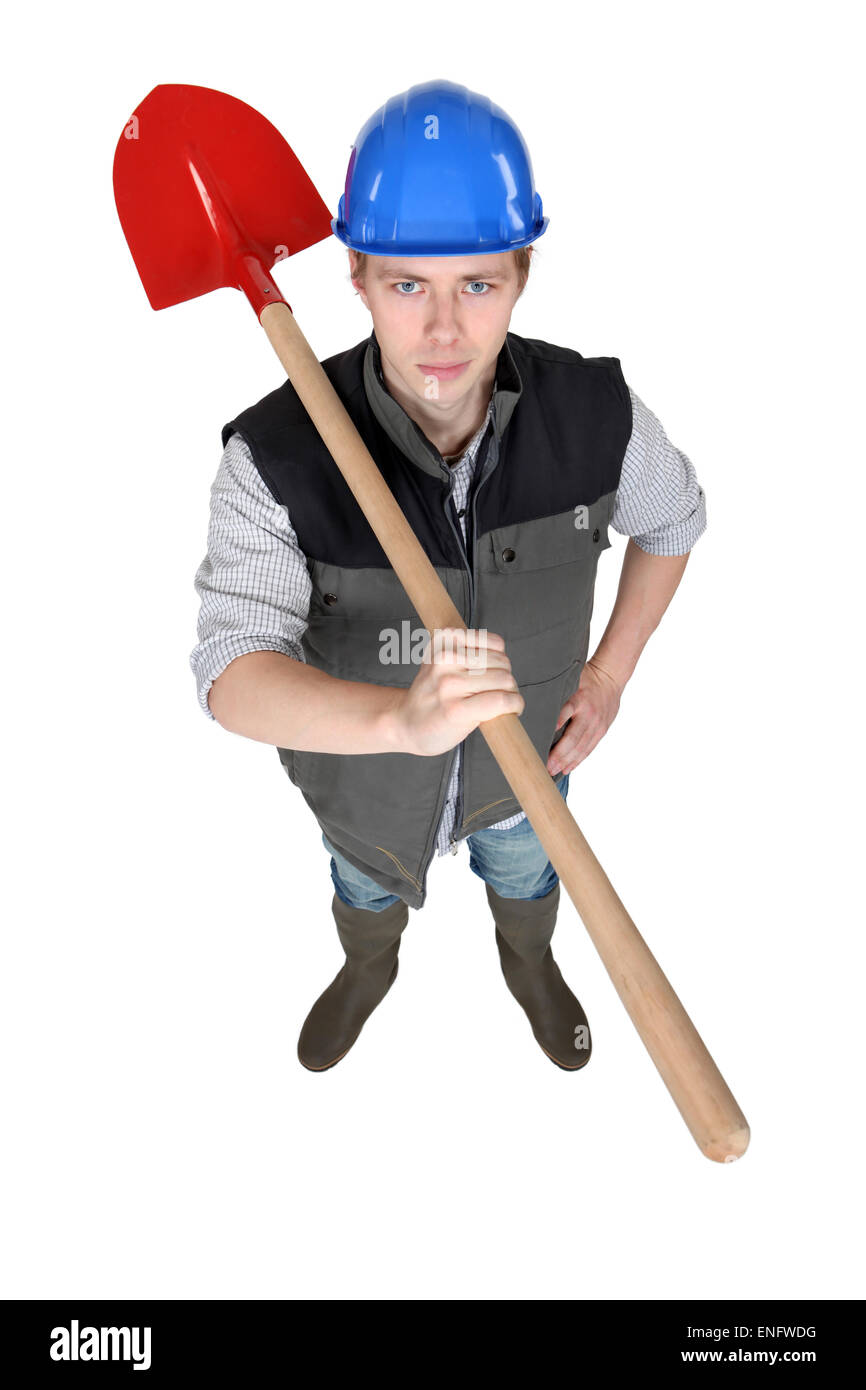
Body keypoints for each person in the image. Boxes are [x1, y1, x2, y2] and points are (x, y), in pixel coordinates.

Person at [189, 79, 706, 1075]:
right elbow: (230, 673)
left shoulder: (596, 416)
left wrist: (606, 676)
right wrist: (396, 724)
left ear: (520, 275)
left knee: (526, 874)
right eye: (405, 285)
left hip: (529, 778)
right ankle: (366, 965)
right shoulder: (274, 455)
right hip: (364, 789)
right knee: (364, 889)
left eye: (476, 285)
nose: (440, 330)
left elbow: (672, 524)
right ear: (355, 275)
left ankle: (529, 963)